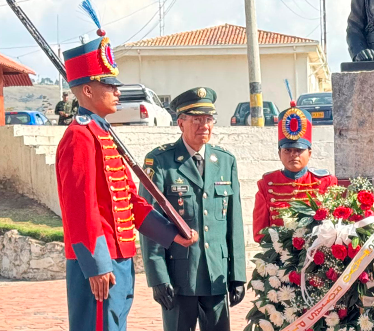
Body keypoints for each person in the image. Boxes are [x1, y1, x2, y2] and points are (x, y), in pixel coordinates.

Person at [55, 5, 197, 331]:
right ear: (88, 90)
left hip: (119, 261)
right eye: (109, 85)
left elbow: (130, 203)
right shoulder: (79, 136)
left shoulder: (103, 133)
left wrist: (173, 233)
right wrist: (97, 265)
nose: (118, 91)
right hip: (99, 266)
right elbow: (80, 209)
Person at [139, 87, 247, 331]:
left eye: (208, 119)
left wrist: (237, 274)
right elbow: (150, 222)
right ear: (180, 124)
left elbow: (234, 222)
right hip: (180, 277)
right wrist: (157, 277)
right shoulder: (160, 161)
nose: (204, 126)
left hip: (216, 274)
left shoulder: (225, 161)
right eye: (197, 120)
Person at [252, 99, 338, 242]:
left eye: (299, 150)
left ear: (309, 153)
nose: (293, 155)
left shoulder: (326, 182)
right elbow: (260, 233)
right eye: (288, 150)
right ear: (279, 153)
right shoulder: (266, 184)